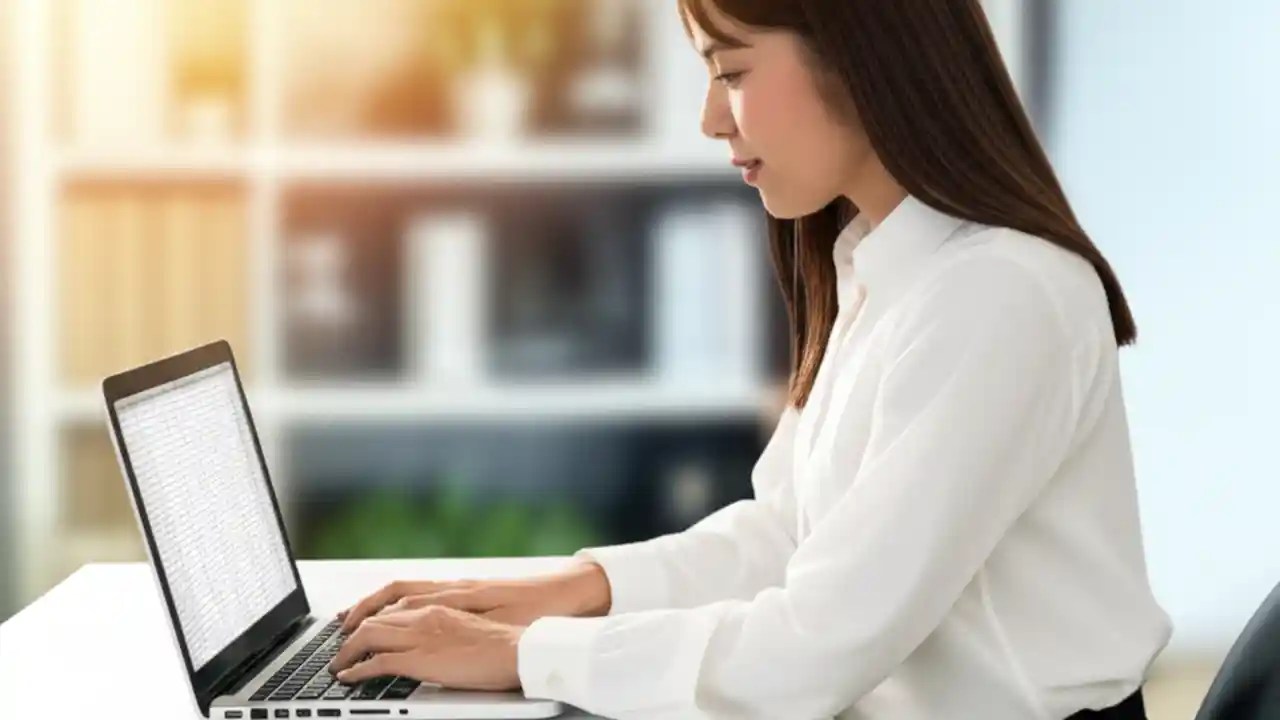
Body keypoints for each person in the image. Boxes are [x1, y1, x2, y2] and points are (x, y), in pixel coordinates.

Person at [328, 1, 1172, 717]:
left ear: (860, 58)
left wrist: (526, 654)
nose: (710, 119)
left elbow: (815, 648)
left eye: (730, 73)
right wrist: (573, 591)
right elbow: (788, 533)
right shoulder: (884, 264)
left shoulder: (996, 297)